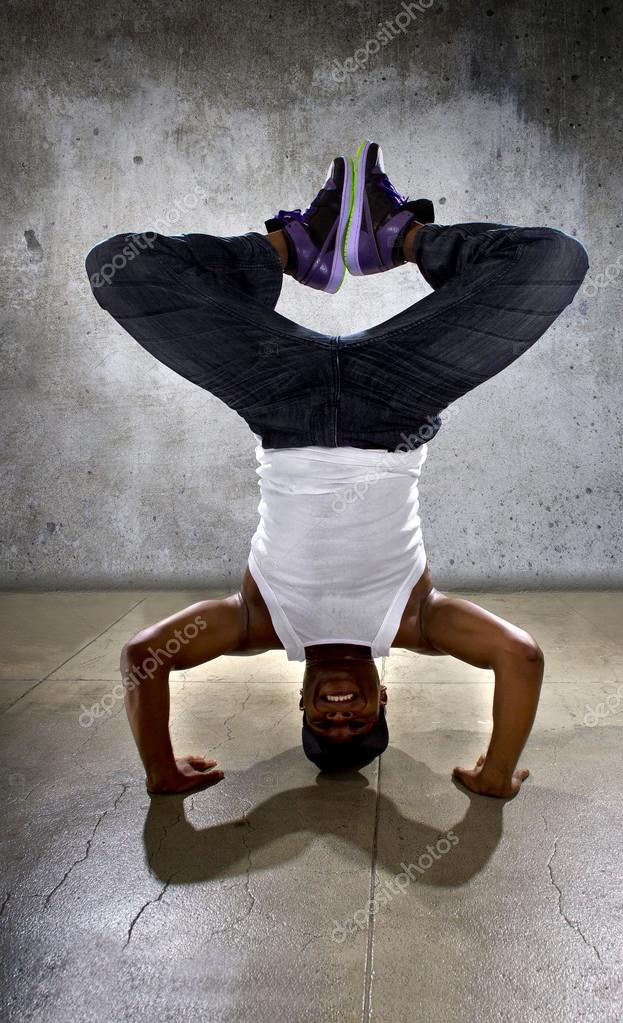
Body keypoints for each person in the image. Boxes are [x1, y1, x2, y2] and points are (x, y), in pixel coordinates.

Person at [85, 140, 589, 799]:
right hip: (398, 400)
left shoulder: (256, 622)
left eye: (327, 725)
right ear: (385, 695)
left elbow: (142, 660)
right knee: (554, 260)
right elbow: (520, 657)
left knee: (116, 268)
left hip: (279, 398)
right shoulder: (415, 622)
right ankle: (401, 236)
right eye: (360, 721)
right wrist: (494, 775)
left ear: (301, 702)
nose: (342, 714)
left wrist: (161, 772)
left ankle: (291, 246)